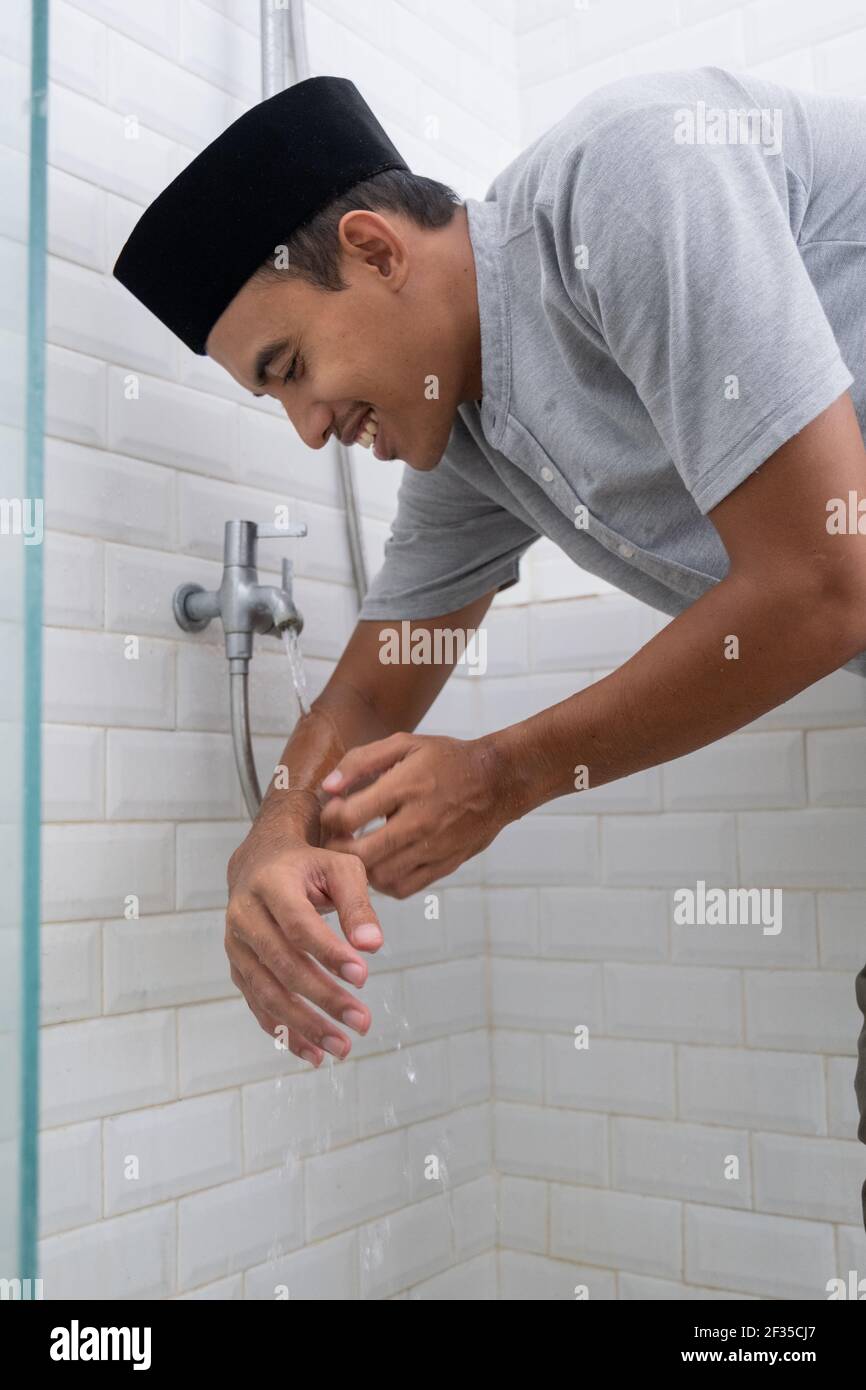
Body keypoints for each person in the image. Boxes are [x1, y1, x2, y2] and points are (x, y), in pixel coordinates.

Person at [113, 69, 866, 1228]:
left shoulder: (626, 178)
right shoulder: (465, 441)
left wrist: (505, 773)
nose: (310, 426)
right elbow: (373, 691)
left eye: (289, 368)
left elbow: (825, 581)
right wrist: (272, 831)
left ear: (372, 249)